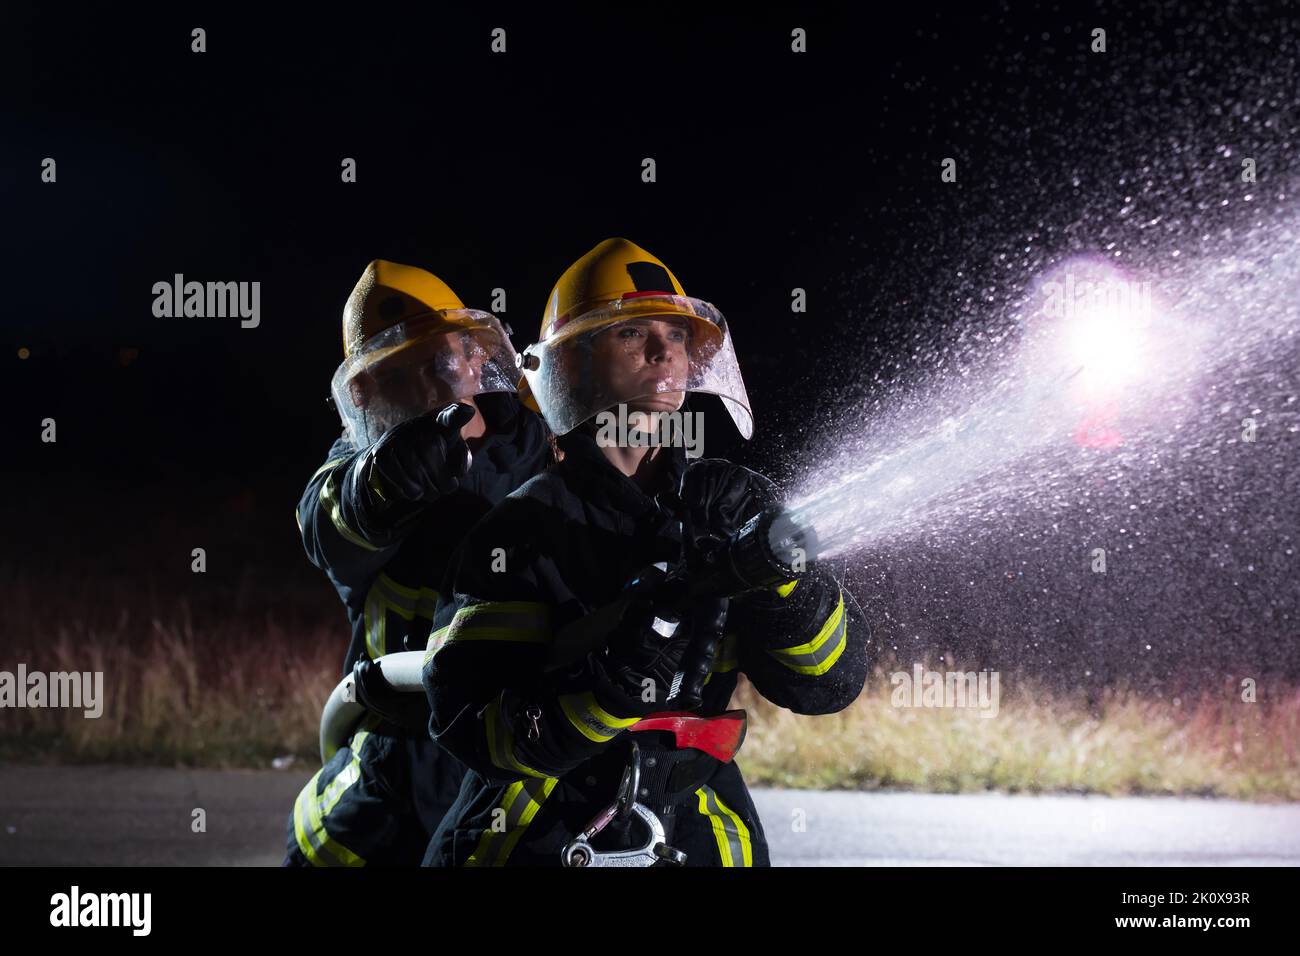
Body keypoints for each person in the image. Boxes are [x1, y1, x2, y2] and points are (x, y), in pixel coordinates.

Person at [422, 238, 869, 867]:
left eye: (678, 336)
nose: (664, 352)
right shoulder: (522, 529)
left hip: (698, 824)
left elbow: (829, 683)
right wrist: (602, 692)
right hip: (537, 829)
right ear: (571, 366)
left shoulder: (734, 511)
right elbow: (475, 727)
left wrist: (780, 580)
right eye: (633, 333)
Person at [285, 259, 550, 866]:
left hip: (514, 765)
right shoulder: (359, 471)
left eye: (447, 354)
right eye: (403, 367)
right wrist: (386, 482)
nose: (437, 376)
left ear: (479, 355)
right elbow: (328, 526)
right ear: (364, 391)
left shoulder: (546, 451)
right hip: (392, 762)